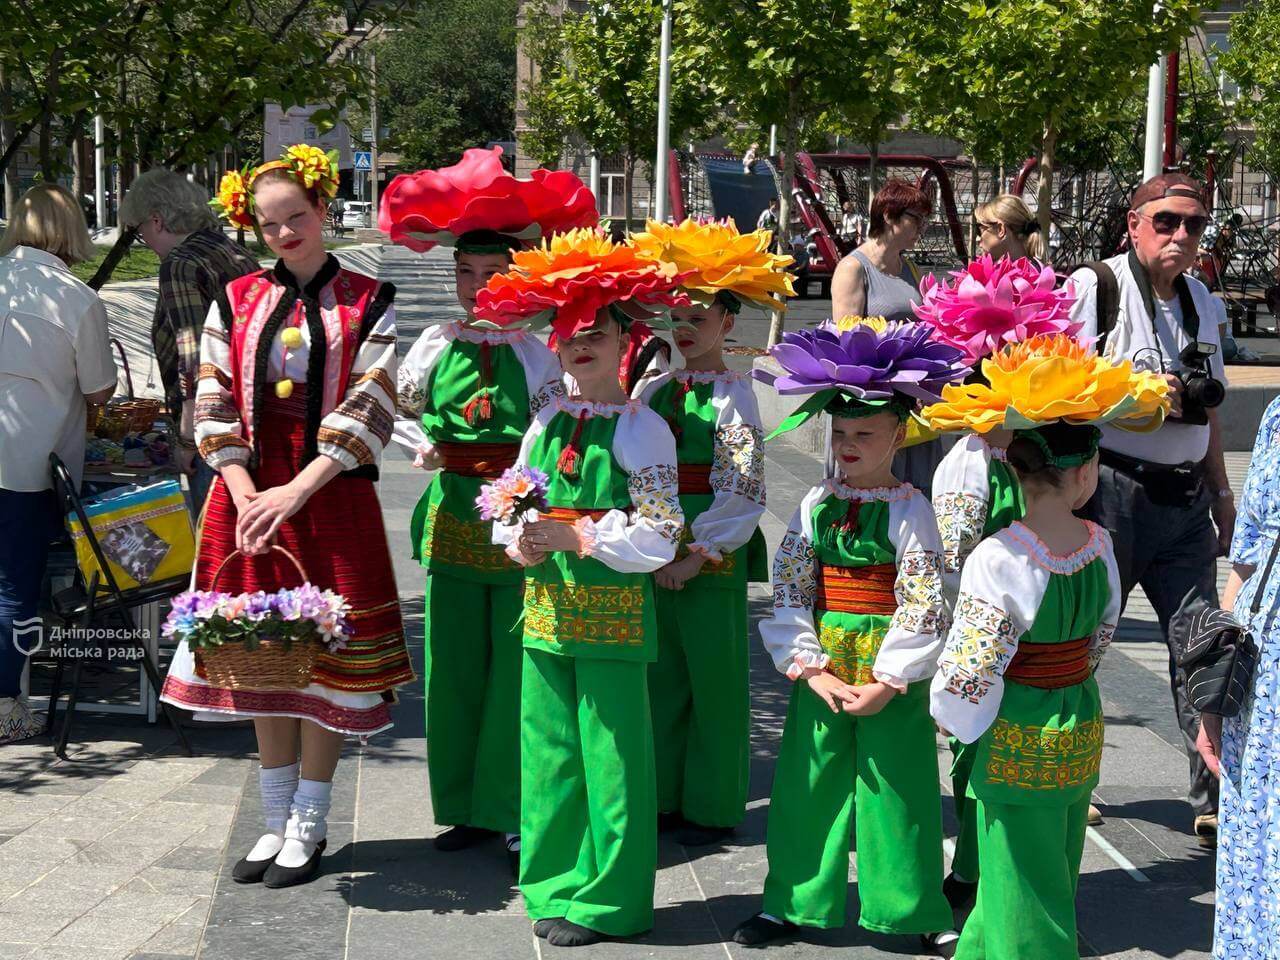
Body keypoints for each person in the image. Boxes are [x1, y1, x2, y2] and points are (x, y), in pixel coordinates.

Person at [159, 144, 413, 888]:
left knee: (322, 667)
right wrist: (242, 490)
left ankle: (311, 819)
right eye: (269, 225)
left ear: (323, 211)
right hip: (245, 503)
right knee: (259, 652)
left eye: (296, 218)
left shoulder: (371, 298)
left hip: (328, 500)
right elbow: (208, 393)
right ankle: (274, 819)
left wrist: (294, 491)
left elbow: (371, 403)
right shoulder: (235, 300)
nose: (284, 234)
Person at [380, 146, 594, 868]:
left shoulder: (537, 353)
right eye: (464, 273)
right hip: (449, 519)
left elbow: (550, 432)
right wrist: (426, 446)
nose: (475, 287)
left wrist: (525, 500)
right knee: (452, 669)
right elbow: (397, 405)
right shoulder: (436, 343)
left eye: (491, 273)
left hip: (514, 519)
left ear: (516, 276)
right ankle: (462, 805)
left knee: (515, 673)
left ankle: (509, 808)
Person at [926, 334, 1169, 960]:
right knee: (1058, 854)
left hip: (1016, 725)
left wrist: (957, 718)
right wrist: (1068, 675)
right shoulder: (1099, 545)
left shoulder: (999, 553)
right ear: (1086, 472)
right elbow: (1104, 634)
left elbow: (975, 661)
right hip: (1076, 716)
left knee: (1014, 867)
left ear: (1014, 468)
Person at [475, 229, 685, 948]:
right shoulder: (545, 419)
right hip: (547, 612)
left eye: (595, 334)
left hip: (615, 618)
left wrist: (582, 537)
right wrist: (521, 538)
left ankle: (611, 901)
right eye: (568, 338)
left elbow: (662, 533)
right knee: (550, 753)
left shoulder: (644, 427)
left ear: (626, 342)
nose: (579, 347)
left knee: (615, 761)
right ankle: (555, 882)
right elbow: (514, 496)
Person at [734, 318, 969, 954]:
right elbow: (789, 586)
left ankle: (916, 910)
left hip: (889, 665)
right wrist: (809, 666)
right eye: (841, 433)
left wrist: (891, 680)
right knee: (808, 783)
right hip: (827, 660)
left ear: (899, 435)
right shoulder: (815, 502)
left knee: (901, 787)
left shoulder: (912, 508)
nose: (849, 444)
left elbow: (922, 600)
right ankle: (791, 902)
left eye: (865, 433)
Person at [1068, 172, 1233, 848]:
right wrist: (1135, 398)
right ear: (1133, 223)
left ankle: (1215, 794)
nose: (1181, 236)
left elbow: (1210, 415)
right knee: (1083, 639)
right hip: (1109, 489)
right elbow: (1061, 387)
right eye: (1166, 221)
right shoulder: (1095, 288)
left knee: (1204, 643)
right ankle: (1070, 779)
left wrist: (1223, 491)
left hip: (1186, 495)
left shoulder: (1204, 300)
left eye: (1194, 224)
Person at [919, 254, 1082, 907]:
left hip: (1042, 646)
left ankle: (1012, 869)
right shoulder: (969, 463)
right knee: (976, 758)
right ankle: (975, 872)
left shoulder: (1035, 454)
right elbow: (954, 560)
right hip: (989, 639)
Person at [631, 218, 793, 845]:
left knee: (715, 681)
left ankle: (712, 804)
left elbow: (744, 485)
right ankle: (664, 794)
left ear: (728, 323)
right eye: (675, 315)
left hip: (709, 548)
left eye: (699, 316)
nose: (685, 328)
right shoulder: (650, 387)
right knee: (660, 676)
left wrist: (699, 554)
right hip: (654, 544)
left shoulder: (735, 395)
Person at [0, 183, 117, 744]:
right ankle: (6, 707)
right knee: (14, 588)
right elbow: (99, 391)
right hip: (26, 463)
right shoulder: (74, 298)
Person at [120, 169, 259, 514]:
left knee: (213, 537)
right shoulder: (225, 246)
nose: (145, 241)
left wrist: (185, 440)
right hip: (250, 413)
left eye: (139, 233)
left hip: (214, 426)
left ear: (156, 221)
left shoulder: (180, 263)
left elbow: (195, 359)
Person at [1197, 394, 1280, 958]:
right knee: (1255, 825)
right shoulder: (1277, 416)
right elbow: (1247, 554)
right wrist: (1218, 683)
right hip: (1262, 659)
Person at [829, 179, 930, 323]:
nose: (922, 227)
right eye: (917, 218)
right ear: (888, 216)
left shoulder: (913, 270)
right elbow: (847, 338)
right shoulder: (852, 269)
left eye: (925, 221)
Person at [973, 194, 1046, 265]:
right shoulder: (1039, 273)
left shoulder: (1009, 277)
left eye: (979, 231)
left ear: (1000, 230)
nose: (977, 239)